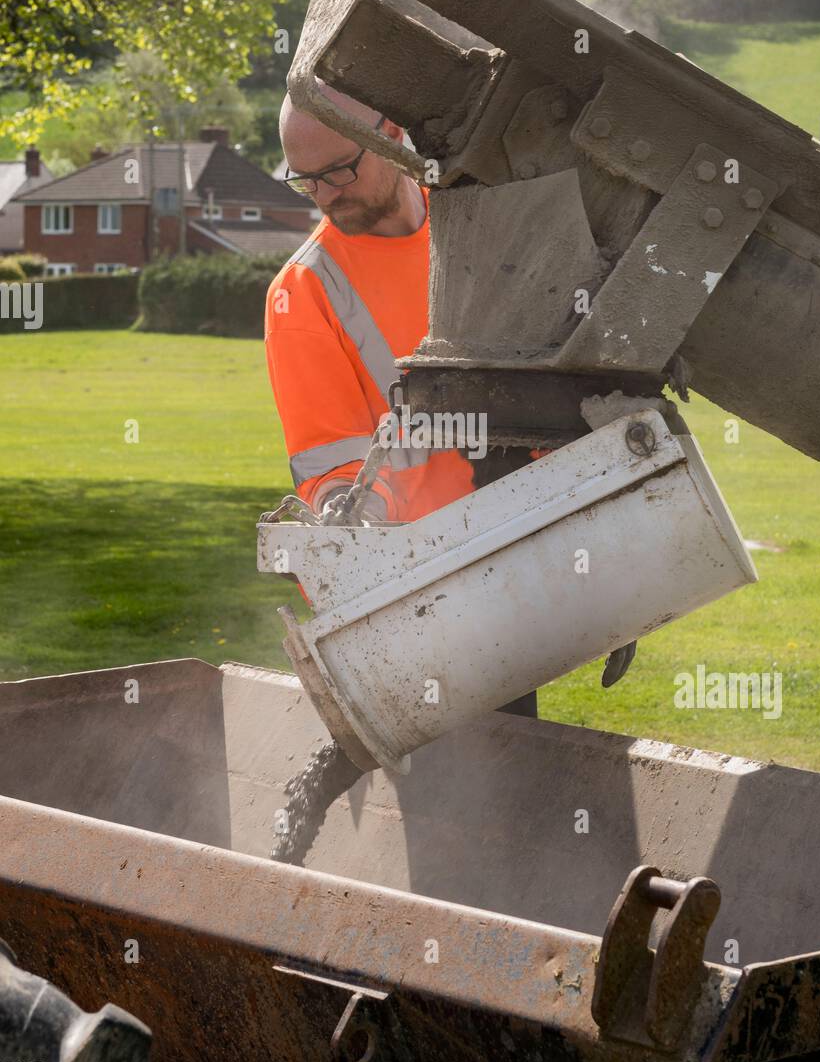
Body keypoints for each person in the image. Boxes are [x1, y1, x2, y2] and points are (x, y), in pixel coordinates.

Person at [265, 81, 632, 712]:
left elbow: (562, 392)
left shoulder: (482, 221)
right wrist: (349, 532)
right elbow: (333, 463)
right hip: (422, 595)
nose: (326, 195)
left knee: (516, 778)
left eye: (339, 171)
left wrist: (606, 559)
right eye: (306, 181)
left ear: (393, 134)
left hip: (520, 555)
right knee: (460, 791)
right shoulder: (303, 291)